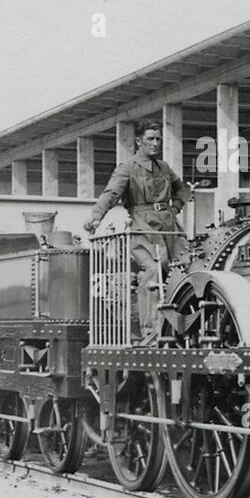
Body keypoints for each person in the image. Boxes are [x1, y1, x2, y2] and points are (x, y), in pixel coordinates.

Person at [83, 120, 192, 340]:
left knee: (188, 269)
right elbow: (111, 194)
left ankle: (185, 329)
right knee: (153, 270)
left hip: (170, 228)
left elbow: (182, 189)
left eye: (158, 139)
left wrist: (176, 207)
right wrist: (96, 216)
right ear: (138, 141)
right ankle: (151, 332)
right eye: (150, 139)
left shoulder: (164, 167)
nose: (155, 143)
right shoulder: (127, 168)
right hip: (143, 229)